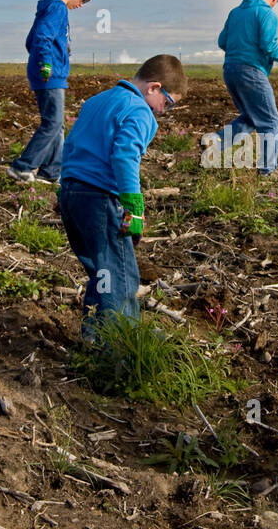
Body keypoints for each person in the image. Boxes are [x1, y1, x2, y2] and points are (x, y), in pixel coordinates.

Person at [58, 55, 186, 342]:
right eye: (168, 102)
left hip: (73, 194)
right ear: (154, 87)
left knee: (100, 271)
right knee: (119, 274)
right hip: (100, 199)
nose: (164, 111)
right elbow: (124, 157)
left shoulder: (96, 101)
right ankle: (122, 344)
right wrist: (135, 209)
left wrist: (64, 191)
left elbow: (72, 145)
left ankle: (95, 337)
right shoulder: (140, 111)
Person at [7, 0, 94, 185]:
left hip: (52, 72)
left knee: (58, 125)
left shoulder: (51, 8)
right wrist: (46, 62)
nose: (81, 4)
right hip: (50, 74)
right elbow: (41, 37)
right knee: (53, 123)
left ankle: (52, 171)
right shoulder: (57, 7)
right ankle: (22, 166)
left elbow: (31, 40)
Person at [211, 0, 278, 176]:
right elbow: (269, 45)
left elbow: (222, 41)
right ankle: (267, 171)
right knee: (270, 121)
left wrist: (240, 48)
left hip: (230, 70)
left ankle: (215, 142)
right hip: (251, 72)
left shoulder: (235, 13)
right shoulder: (267, 14)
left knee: (252, 117)